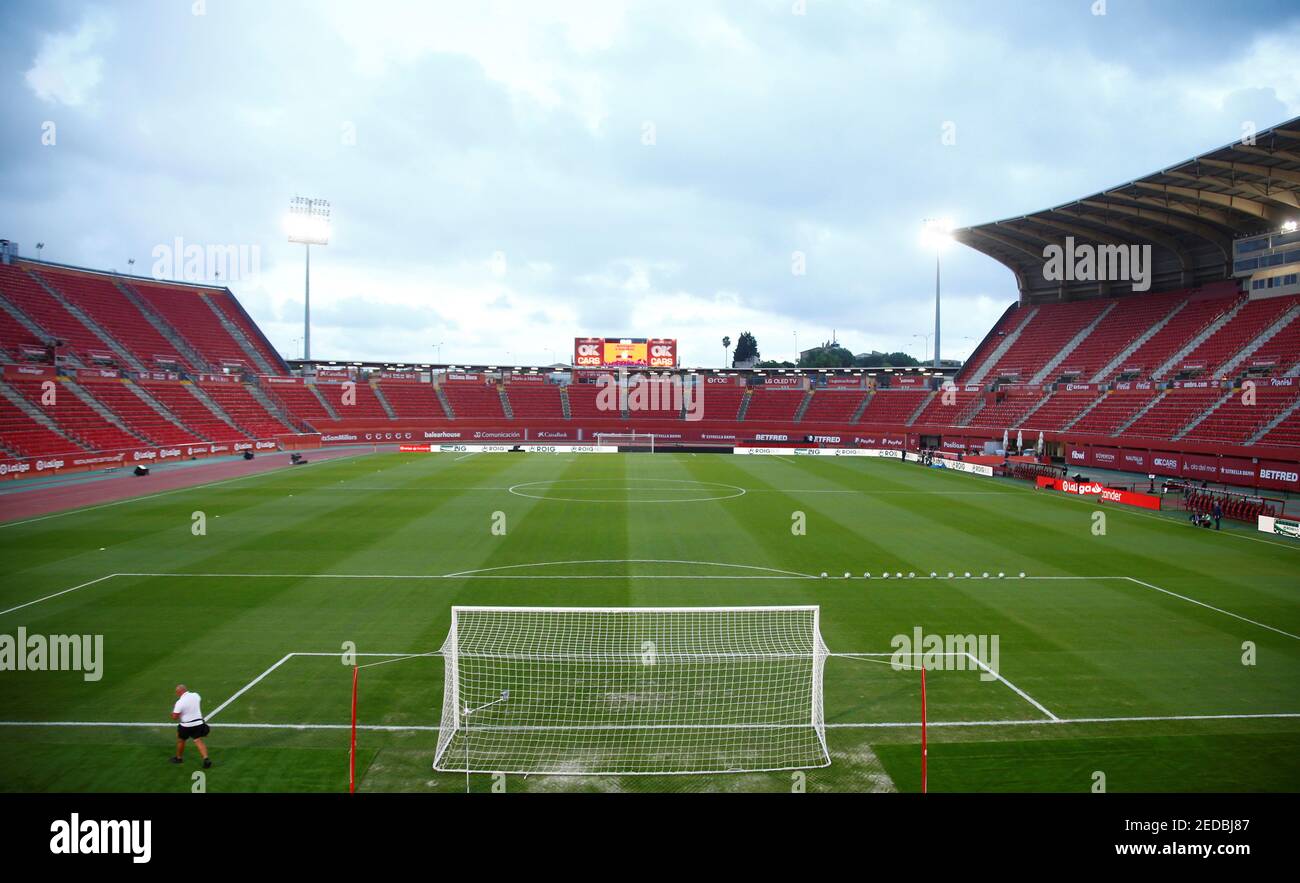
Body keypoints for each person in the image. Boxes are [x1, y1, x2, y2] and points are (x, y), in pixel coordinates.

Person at [170, 684, 212, 768]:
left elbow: (174, 717)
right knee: (198, 740)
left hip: (186, 726)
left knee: (181, 740)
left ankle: (178, 758)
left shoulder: (179, 702)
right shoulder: (196, 695)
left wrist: (173, 714)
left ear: (179, 692)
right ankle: (206, 758)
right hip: (198, 724)